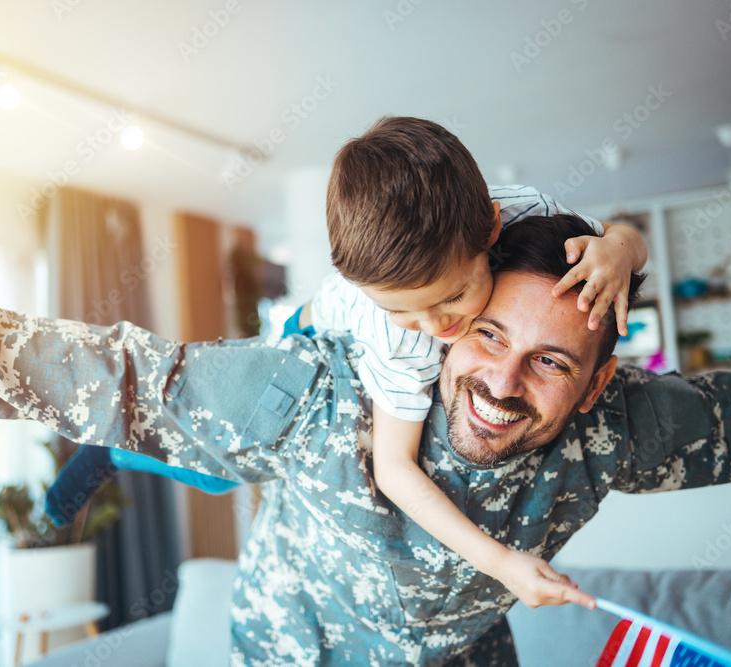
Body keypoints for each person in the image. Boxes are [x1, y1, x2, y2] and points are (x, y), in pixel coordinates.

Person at [0, 214, 731, 666]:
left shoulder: (618, 429)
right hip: (287, 650)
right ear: (450, 319)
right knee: (146, 435)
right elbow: (92, 368)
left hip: (460, 658)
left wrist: (625, 236)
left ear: (597, 384)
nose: (501, 384)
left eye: (548, 362)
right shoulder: (313, 391)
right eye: (489, 336)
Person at [48, 117, 648, 611]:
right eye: (403, 308)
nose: (435, 326)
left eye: (453, 297)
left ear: (491, 226)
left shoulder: (529, 211)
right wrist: (500, 562)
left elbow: (626, 235)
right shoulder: (401, 340)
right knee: (225, 465)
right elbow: (395, 468)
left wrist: (618, 251)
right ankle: (115, 450)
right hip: (310, 332)